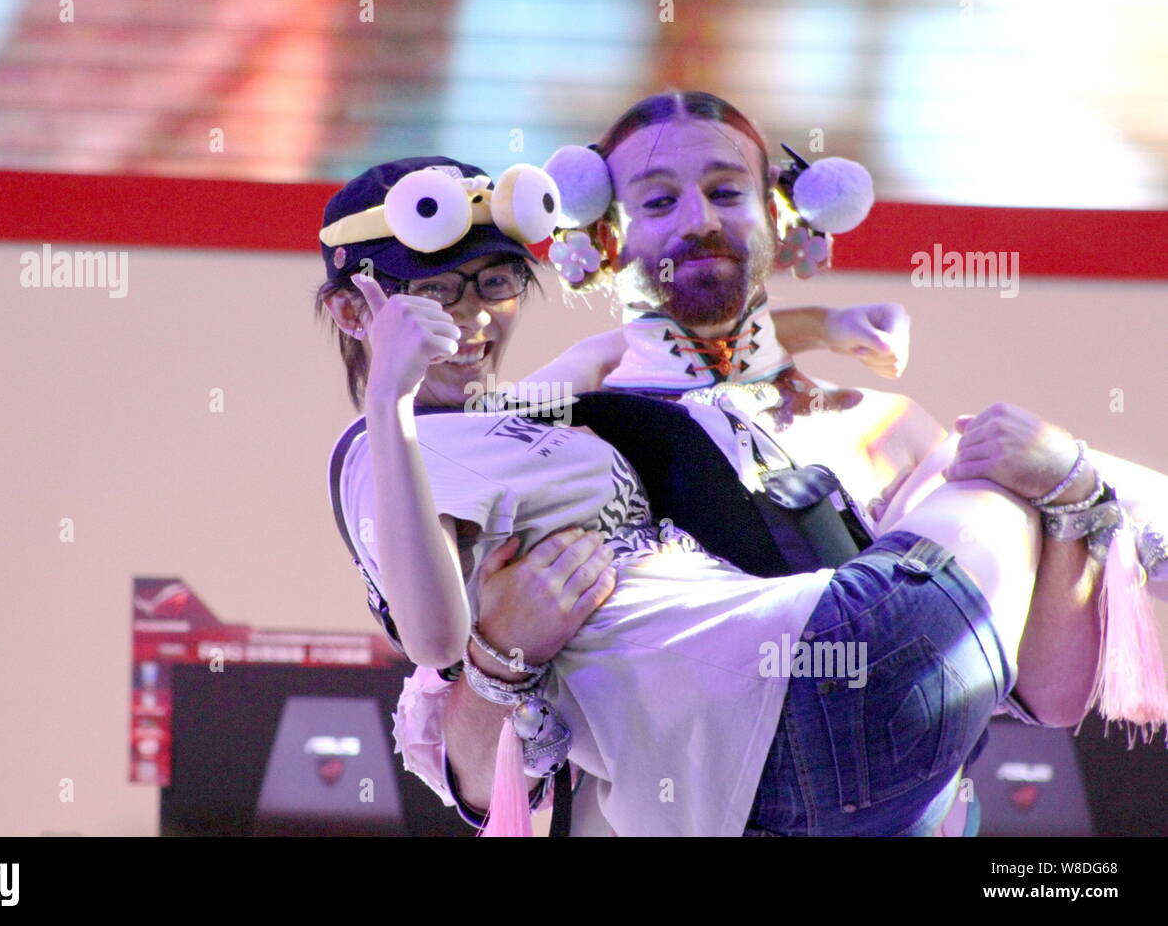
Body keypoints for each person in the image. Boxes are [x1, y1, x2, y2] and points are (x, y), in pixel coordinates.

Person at [320, 138, 1166, 835]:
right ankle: (1124, 511)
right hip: (799, 690)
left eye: (496, 283)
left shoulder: (530, 408)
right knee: (987, 467)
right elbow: (436, 645)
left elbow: (638, 347)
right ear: (356, 310)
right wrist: (388, 398)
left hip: (765, 751)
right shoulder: (377, 455)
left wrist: (828, 326)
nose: (469, 318)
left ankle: (1111, 506)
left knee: (979, 465)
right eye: (431, 292)